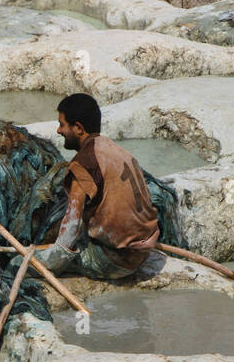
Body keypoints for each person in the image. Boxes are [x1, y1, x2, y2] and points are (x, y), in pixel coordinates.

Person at [32, 93, 161, 279]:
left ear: (78, 128)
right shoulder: (115, 150)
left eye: (62, 124)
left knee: (20, 264)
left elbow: (72, 228)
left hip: (116, 260)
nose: (58, 131)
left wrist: (45, 262)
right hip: (143, 250)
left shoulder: (85, 163)